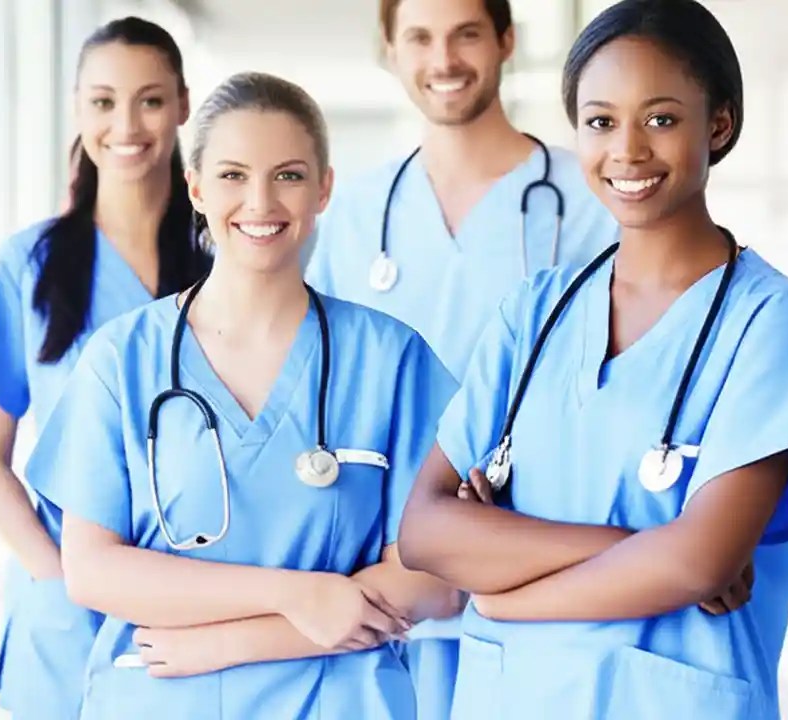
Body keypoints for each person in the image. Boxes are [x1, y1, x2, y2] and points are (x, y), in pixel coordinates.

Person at [397, 2, 788, 717]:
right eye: (601, 122)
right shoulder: (534, 315)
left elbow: (701, 563)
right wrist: (650, 548)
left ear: (718, 124)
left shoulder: (770, 323)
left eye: (661, 119)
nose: (627, 150)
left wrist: (506, 591)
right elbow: (422, 530)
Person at [25, 71, 462, 719]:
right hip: (159, 699)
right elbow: (93, 571)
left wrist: (237, 640)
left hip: (342, 701)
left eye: (287, 175)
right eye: (232, 175)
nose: (260, 202)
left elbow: (438, 580)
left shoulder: (390, 358)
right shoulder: (124, 359)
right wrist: (303, 594)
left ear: (324, 189)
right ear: (196, 188)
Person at [306, 2, 618, 714]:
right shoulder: (354, 213)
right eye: (419, 37)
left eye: (466, 34)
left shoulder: (589, 196)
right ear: (389, 49)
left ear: (506, 40)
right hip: (385, 571)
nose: (443, 59)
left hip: (533, 560)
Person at [0, 16, 211, 719]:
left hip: (195, 596)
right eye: (102, 101)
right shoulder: (25, 269)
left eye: (150, 100)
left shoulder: (226, 266)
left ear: (183, 104)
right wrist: (54, 576)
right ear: (78, 110)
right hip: (66, 602)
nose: (126, 124)